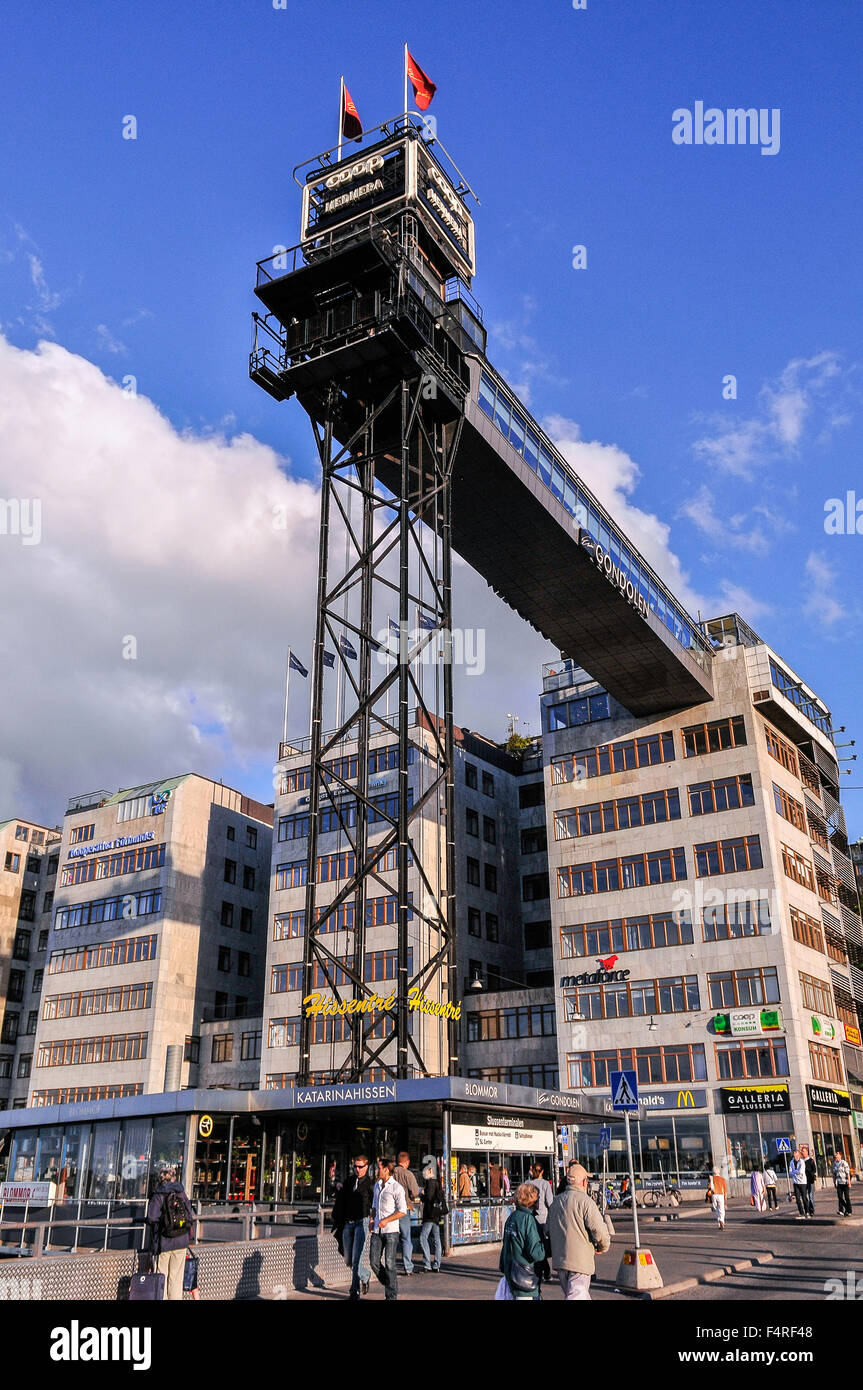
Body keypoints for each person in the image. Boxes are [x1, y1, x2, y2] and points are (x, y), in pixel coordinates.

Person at [546, 1161, 611, 1300]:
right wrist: (603, 1246)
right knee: (577, 1295)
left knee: (576, 1295)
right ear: (583, 1182)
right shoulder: (586, 1202)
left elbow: (548, 1230)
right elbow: (599, 1230)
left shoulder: (556, 1202)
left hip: (561, 1262)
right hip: (580, 1262)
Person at [146, 1164, 196, 1301]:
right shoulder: (181, 1193)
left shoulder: (159, 1194)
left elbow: (151, 1217)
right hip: (181, 1241)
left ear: (161, 1178)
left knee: (161, 1278)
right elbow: (189, 1216)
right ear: (174, 1177)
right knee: (176, 1279)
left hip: (163, 1242)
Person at [332, 1153, 373, 1300]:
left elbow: (374, 1204)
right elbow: (342, 1197)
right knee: (348, 1259)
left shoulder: (370, 1184)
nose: (357, 1169)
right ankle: (365, 1274)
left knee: (356, 1258)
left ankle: (354, 1290)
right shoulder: (349, 1181)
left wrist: (373, 1219)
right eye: (355, 1166)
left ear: (366, 1167)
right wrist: (338, 1186)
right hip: (348, 1223)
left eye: (360, 1167)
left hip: (361, 1222)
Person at [499, 1183, 546, 1300]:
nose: (539, 1200)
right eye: (538, 1197)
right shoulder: (528, 1219)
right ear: (531, 1200)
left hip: (511, 1272)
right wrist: (548, 1245)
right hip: (525, 1275)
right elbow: (536, 1253)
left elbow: (506, 1246)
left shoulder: (512, 1217)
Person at [369, 1158, 406, 1301]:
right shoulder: (377, 1185)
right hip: (377, 1230)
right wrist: (372, 1219)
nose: (376, 1170)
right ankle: (390, 1283)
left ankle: (391, 1295)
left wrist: (386, 1220)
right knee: (374, 1262)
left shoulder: (396, 1187)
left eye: (379, 1168)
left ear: (386, 1169)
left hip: (391, 1230)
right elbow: (374, 1205)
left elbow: (402, 1211)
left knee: (390, 1263)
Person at [393, 1151, 419, 1276]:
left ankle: (389, 1265)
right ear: (407, 1162)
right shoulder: (408, 1174)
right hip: (404, 1208)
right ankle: (408, 1267)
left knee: (391, 1237)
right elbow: (414, 1192)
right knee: (406, 1238)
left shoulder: (390, 1173)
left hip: (390, 1210)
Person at [419, 1163, 447, 1272]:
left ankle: (427, 1264)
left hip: (430, 1214)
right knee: (437, 1239)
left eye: (427, 1170)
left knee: (423, 1237)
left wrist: (422, 1195)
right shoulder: (438, 1182)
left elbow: (429, 1198)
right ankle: (437, 1264)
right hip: (436, 1214)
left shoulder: (431, 1182)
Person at [530, 1162, 554, 1283]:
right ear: (542, 1171)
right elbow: (550, 1203)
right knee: (542, 1247)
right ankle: (545, 1272)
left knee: (535, 1246)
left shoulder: (527, 1184)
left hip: (530, 1220)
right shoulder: (545, 1184)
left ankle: (543, 1271)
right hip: (543, 1220)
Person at [789, 1148, 810, 1219]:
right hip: (795, 1182)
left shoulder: (802, 1162)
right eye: (795, 1156)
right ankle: (801, 1213)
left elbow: (800, 1172)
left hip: (803, 1182)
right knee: (797, 1199)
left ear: (799, 1155)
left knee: (804, 1197)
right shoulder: (791, 1162)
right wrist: (795, 1172)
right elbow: (790, 1172)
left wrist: (794, 1172)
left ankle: (807, 1212)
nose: (796, 1157)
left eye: (797, 1155)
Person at [832, 1150, 853, 1216]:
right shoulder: (835, 1163)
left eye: (837, 1154)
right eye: (836, 1154)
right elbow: (834, 1173)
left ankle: (849, 1211)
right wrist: (834, 1182)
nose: (836, 1155)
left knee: (846, 1197)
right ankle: (843, 1209)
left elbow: (848, 1173)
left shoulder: (844, 1163)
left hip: (845, 1182)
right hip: (839, 1182)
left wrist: (849, 1182)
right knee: (840, 1197)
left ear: (840, 1156)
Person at [801, 1144, 817, 1217]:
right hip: (803, 1182)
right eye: (802, 1152)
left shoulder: (811, 1160)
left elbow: (814, 1170)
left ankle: (811, 1210)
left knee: (810, 1196)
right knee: (805, 1196)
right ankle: (807, 1210)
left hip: (810, 1181)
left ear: (807, 1152)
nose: (803, 1153)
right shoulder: (801, 1161)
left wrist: (810, 1173)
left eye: (804, 1151)